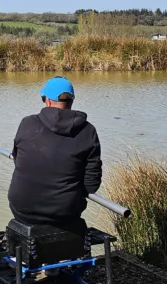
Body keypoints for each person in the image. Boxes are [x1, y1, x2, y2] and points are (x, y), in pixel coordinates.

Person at [7, 76, 102, 232]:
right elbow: (92, 184)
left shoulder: (27, 123)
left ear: (48, 101)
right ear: (71, 101)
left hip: (22, 209)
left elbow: (17, 159)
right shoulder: (88, 130)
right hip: (65, 213)